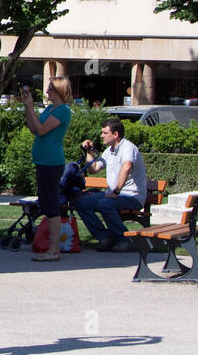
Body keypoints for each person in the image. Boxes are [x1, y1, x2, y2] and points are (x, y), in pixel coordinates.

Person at [74, 117, 147, 252]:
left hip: (132, 196)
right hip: (114, 195)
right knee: (80, 203)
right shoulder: (109, 150)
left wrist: (116, 191)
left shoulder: (128, 148)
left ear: (115, 134)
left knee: (105, 204)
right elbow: (93, 169)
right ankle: (105, 237)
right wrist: (89, 151)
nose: (101, 135)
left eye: (104, 133)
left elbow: (127, 167)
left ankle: (124, 240)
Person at [22, 76, 73, 262]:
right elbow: (34, 128)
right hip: (42, 161)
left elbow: (42, 130)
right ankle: (52, 247)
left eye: (51, 88)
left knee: (51, 204)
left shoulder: (62, 111)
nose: (47, 91)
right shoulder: (50, 109)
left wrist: (29, 108)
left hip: (52, 162)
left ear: (59, 91)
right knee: (45, 202)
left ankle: (54, 249)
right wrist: (29, 110)